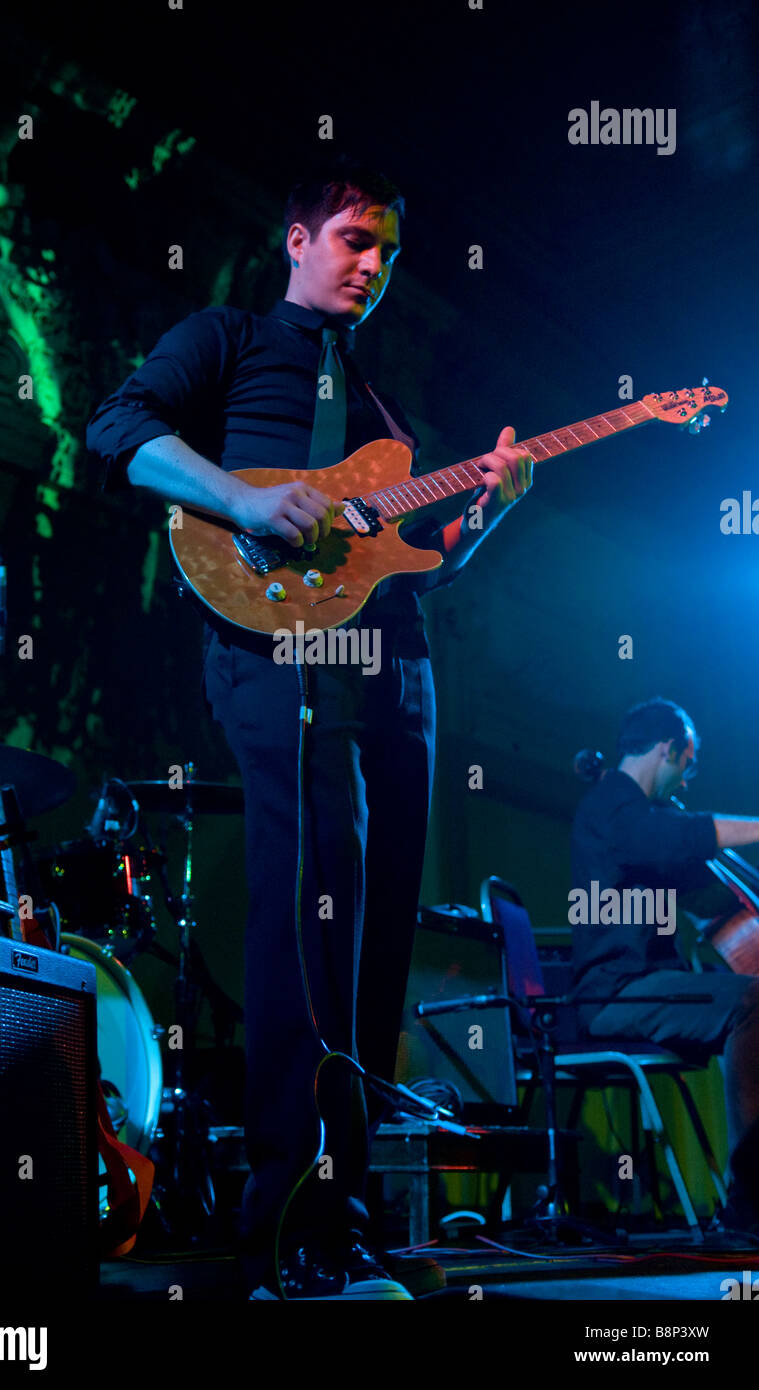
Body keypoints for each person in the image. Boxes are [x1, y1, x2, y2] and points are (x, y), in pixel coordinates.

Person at [86, 157, 533, 1299]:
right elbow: (115, 426)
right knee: (310, 901)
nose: (371, 267)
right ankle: (285, 1208)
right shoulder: (227, 338)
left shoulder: (384, 417)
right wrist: (241, 499)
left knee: (378, 917)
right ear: (295, 238)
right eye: (351, 240)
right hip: (272, 646)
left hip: (392, 666)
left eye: (385, 250)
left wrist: (480, 517)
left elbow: (416, 571)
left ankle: (348, 1209)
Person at [570, 698, 759, 1232]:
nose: (684, 782)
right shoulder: (611, 805)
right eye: (687, 766)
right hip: (613, 993)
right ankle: (749, 1197)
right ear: (667, 749)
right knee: (752, 1001)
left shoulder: (643, 821)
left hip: (643, 987)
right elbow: (678, 836)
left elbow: (700, 882)